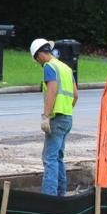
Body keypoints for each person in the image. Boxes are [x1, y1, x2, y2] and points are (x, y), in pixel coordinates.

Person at [30, 38, 77, 196]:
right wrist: (66, 110)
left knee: (49, 158)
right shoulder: (66, 68)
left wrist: (46, 116)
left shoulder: (49, 66)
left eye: (37, 60)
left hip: (56, 119)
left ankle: (49, 198)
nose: (39, 63)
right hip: (67, 118)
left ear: (39, 55)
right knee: (58, 157)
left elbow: (52, 91)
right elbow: (75, 95)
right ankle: (60, 193)